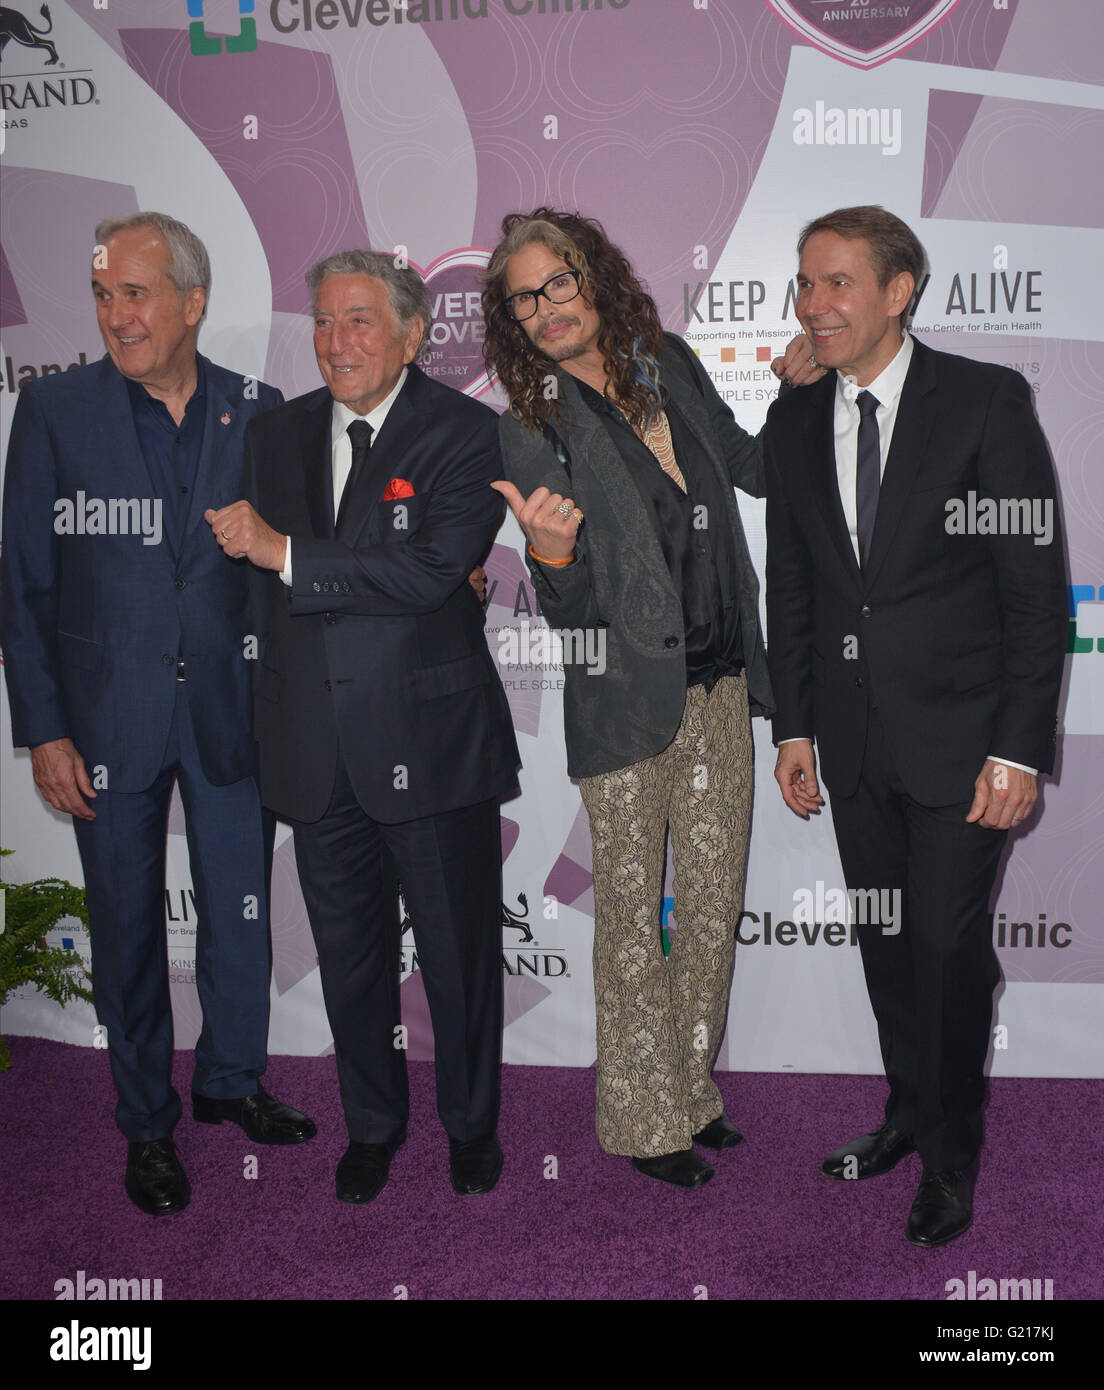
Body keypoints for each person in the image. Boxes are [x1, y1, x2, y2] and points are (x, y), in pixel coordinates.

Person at [483, 208, 820, 1189]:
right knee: (632, 917)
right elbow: (574, 606)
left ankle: (690, 1090)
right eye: (523, 297)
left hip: (720, 685)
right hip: (625, 706)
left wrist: (803, 389)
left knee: (710, 907)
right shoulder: (530, 422)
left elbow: (753, 468)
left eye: (560, 282)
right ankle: (640, 1119)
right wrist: (548, 555)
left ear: (596, 278)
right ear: (511, 321)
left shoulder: (664, 356)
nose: (546, 308)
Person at [0, 212, 316, 1218]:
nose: (114, 314)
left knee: (241, 915)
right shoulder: (52, 411)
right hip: (104, 726)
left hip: (231, 714)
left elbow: (290, 561)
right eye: (101, 295)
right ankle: (147, 1122)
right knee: (129, 927)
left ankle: (230, 1079)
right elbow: (24, 583)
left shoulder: (260, 412)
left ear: (192, 301)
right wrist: (44, 729)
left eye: (134, 294)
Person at [764, 205, 1066, 1246]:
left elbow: (1035, 593)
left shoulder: (984, 402)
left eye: (838, 283)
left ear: (899, 291)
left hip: (967, 746)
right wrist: (792, 728)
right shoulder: (796, 418)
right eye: (805, 284)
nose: (814, 304)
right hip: (850, 746)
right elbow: (794, 588)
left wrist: (1021, 745)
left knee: (944, 950)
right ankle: (904, 1112)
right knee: (890, 944)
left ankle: (950, 1157)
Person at [207, 250, 520, 1205]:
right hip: (314, 749)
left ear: (414, 334)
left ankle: (471, 1128)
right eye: (323, 321)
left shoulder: (466, 432)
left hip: (430, 746)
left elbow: (432, 573)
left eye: (358, 321)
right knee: (349, 960)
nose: (335, 342)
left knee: (461, 957)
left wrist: (287, 551)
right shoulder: (274, 436)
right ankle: (373, 1127)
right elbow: (259, 605)